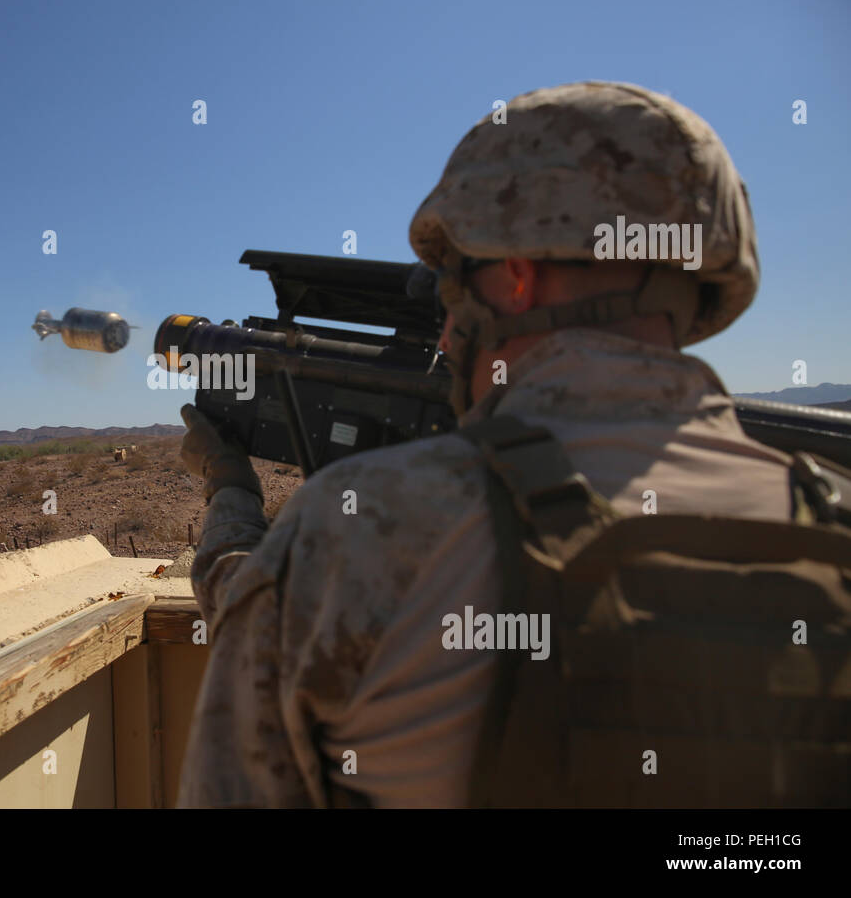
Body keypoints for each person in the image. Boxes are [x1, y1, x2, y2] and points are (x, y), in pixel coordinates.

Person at [174, 80, 850, 807]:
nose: (444, 331)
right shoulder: (829, 510)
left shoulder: (359, 532)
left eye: (453, 292)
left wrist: (232, 495)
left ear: (518, 278)